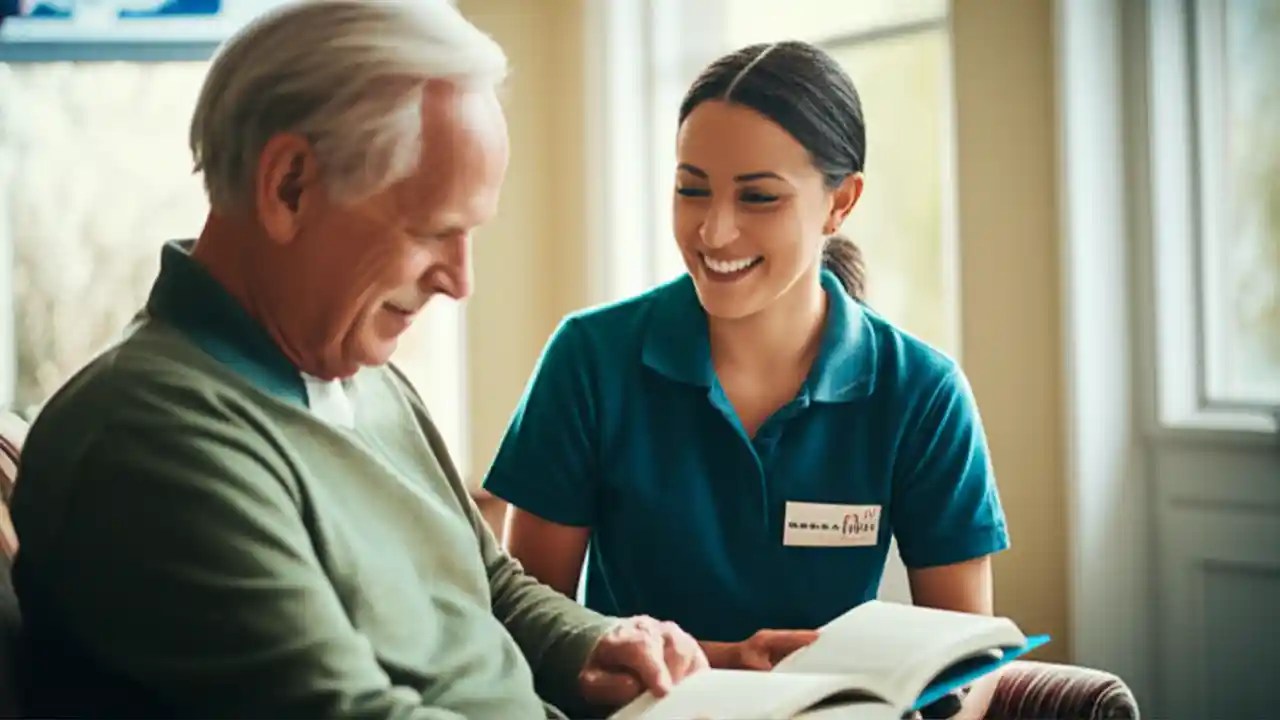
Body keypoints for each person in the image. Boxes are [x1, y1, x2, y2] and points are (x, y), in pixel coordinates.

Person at [9, 1, 705, 717]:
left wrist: (592, 647)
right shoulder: (147, 439)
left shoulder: (362, 373)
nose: (460, 280)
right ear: (290, 187)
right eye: (434, 230)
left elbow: (487, 582)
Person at [484, 40, 1010, 719]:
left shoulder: (923, 393)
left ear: (839, 203)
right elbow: (527, 628)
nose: (714, 230)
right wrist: (716, 663)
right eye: (690, 189)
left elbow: (968, 664)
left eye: (758, 197)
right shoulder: (589, 358)